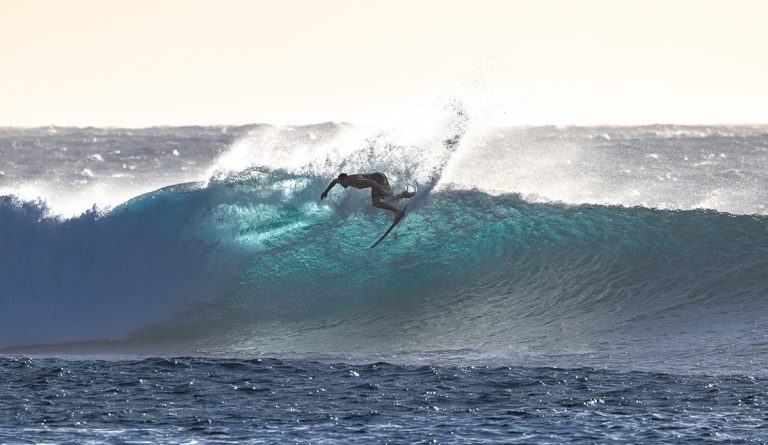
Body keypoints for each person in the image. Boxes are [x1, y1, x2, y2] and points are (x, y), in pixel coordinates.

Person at [320, 172, 415, 221]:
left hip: (377, 178)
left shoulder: (356, 181)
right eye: (340, 183)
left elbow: (371, 182)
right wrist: (326, 191)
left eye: (343, 182)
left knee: (376, 202)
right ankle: (404, 194)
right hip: (378, 176)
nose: (342, 184)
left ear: (347, 178)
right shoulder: (342, 180)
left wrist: (382, 191)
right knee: (389, 196)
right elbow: (334, 181)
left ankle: (397, 212)